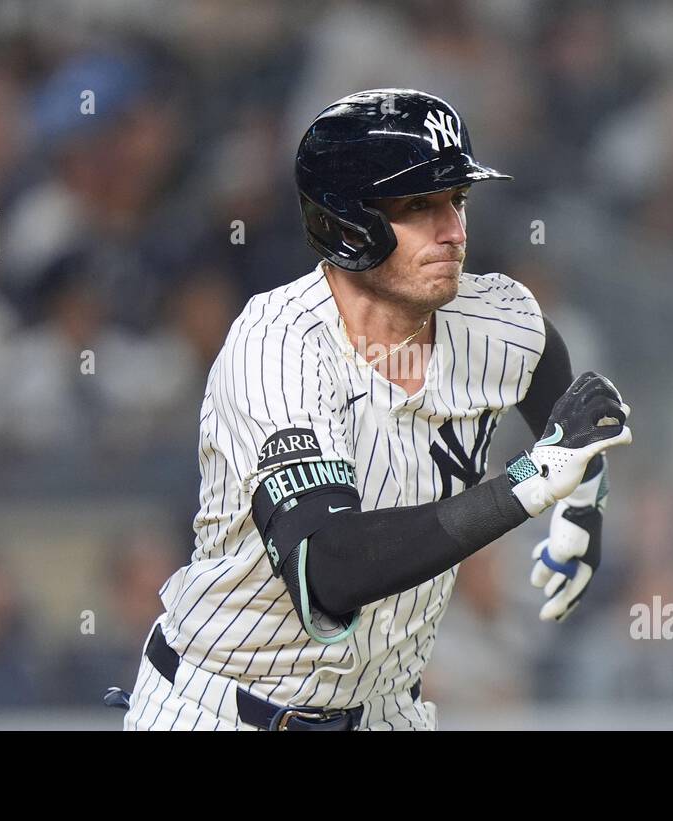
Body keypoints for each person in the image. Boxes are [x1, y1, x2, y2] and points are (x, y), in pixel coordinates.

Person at [117, 89, 632, 730]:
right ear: (345, 222)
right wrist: (527, 484)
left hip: (386, 712)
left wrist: (585, 508)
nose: (454, 231)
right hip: (225, 708)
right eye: (419, 205)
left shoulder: (499, 320)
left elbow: (576, 412)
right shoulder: (278, 346)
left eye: (457, 201)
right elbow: (331, 569)